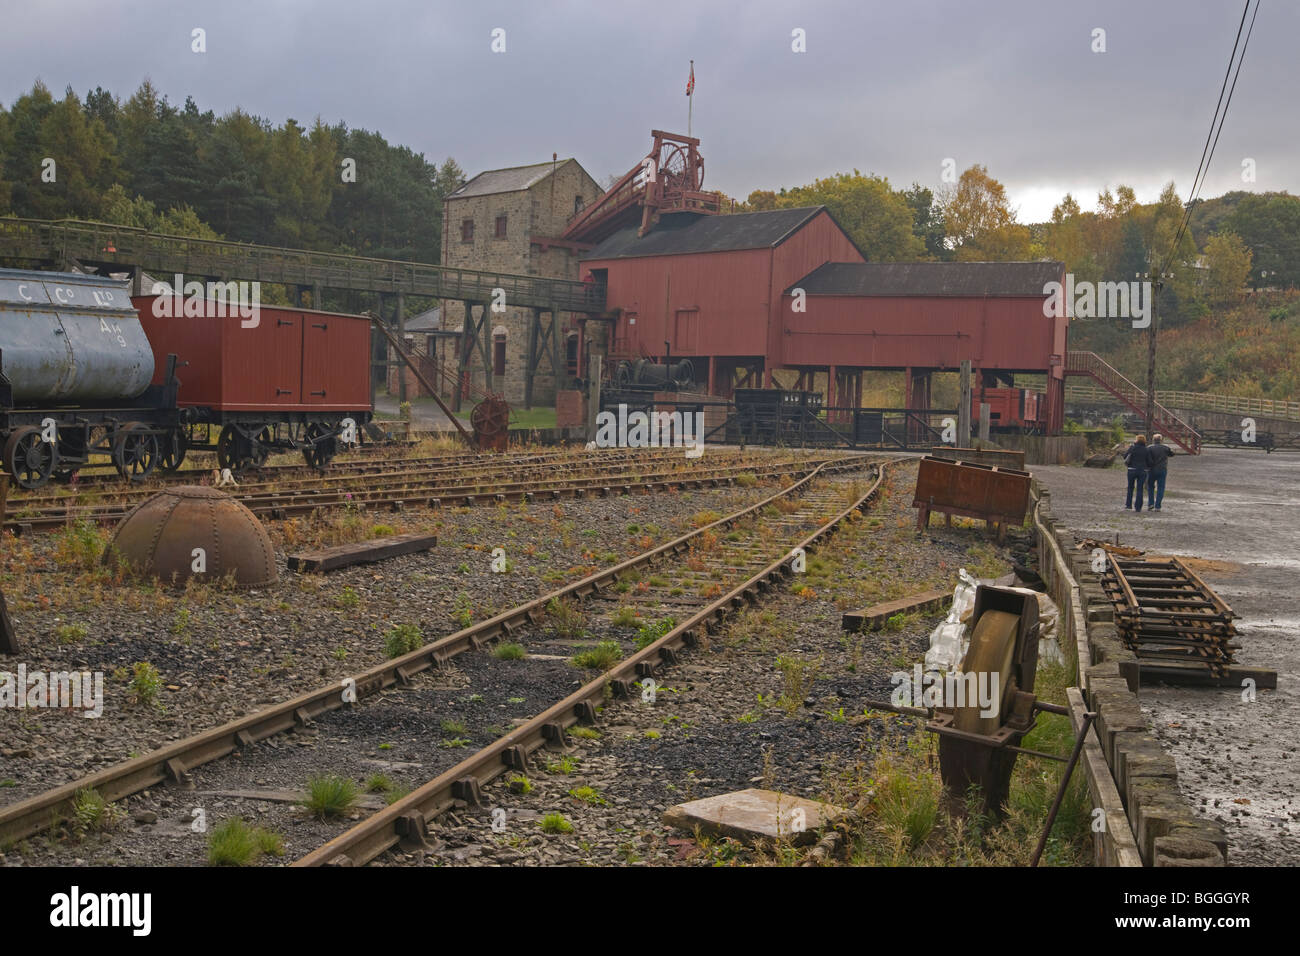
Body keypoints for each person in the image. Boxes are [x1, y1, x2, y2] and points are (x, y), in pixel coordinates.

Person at [1146, 433, 1174, 511]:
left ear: (1153, 440)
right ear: (1161, 440)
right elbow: (1172, 454)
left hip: (1151, 469)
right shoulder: (1165, 448)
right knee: (1161, 487)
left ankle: (1151, 503)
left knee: (1150, 487)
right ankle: (1158, 506)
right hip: (1162, 469)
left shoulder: (1149, 448)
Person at [1124, 435, 1149, 511]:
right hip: (1142, 471)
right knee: (1140, 489)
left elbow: (1125, 457)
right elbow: (1150, 461)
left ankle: (1128, 505)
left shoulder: (1132, 448)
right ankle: (1138, 507)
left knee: (1130, 487)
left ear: (1136, 440)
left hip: (1132, 469)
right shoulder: (1146, 450)